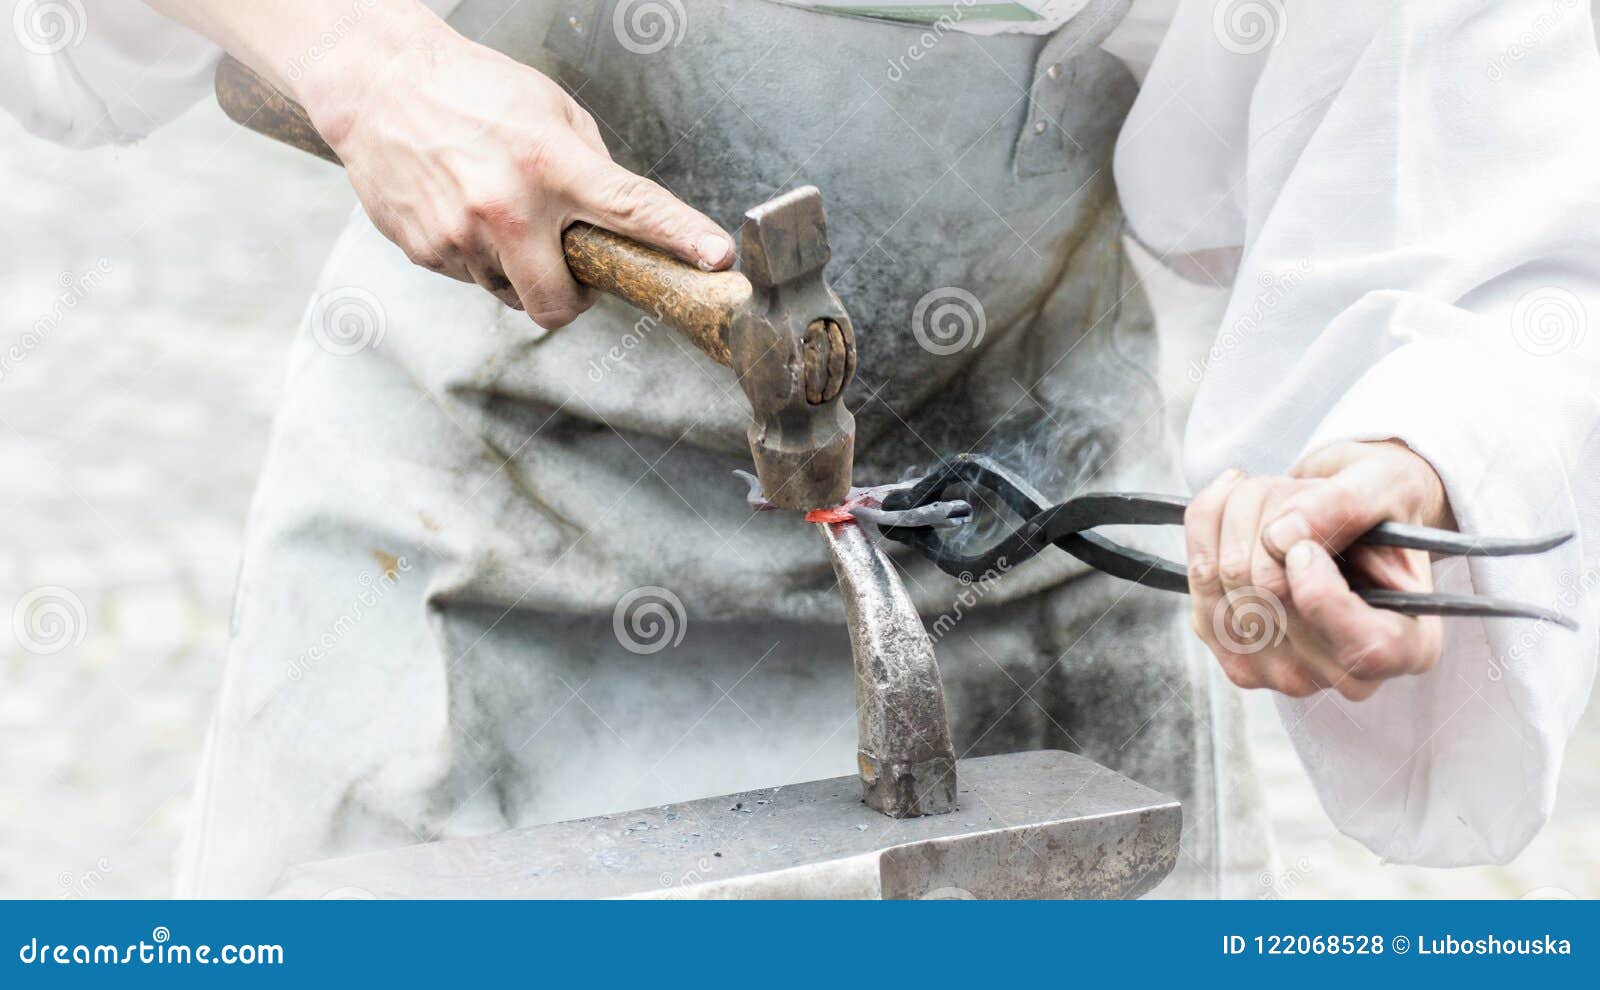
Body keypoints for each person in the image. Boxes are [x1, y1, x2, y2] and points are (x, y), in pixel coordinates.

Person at [5, 0, 1596, 896]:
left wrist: (1412, 449)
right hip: (455, 596)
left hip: (1009, 625)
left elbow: (1463, 152)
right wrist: (361, 61)